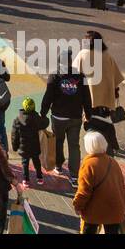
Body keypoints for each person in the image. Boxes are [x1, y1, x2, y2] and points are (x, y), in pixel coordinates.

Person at [40, 52, 92, 185]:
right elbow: (87, 98)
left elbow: (48, 96)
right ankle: (74, 176)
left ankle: (58, 166)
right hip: (75, 117)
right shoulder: (80, 76)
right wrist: (88, 115)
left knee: (58, 142)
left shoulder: (55, 76)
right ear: (70, 61)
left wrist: (43, 113)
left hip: (58, 117)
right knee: (74, 145)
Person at [72, 130, 125, 233]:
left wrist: (77, 205)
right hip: (115, 209)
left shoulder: (88, 164)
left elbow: (84, 191)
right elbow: (121, 185)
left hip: (94, 212)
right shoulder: (113, 161)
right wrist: (124, 202)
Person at [11, 97, 48, 188]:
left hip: (24, 148)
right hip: (35, 146)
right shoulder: (36, 118)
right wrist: (43, 116)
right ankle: (39, 177)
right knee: (36, 162)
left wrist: (15, 146)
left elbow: (14, 135)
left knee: (25, 163)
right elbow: (45, 123)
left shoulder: (17, 120)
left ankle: (26, 179)